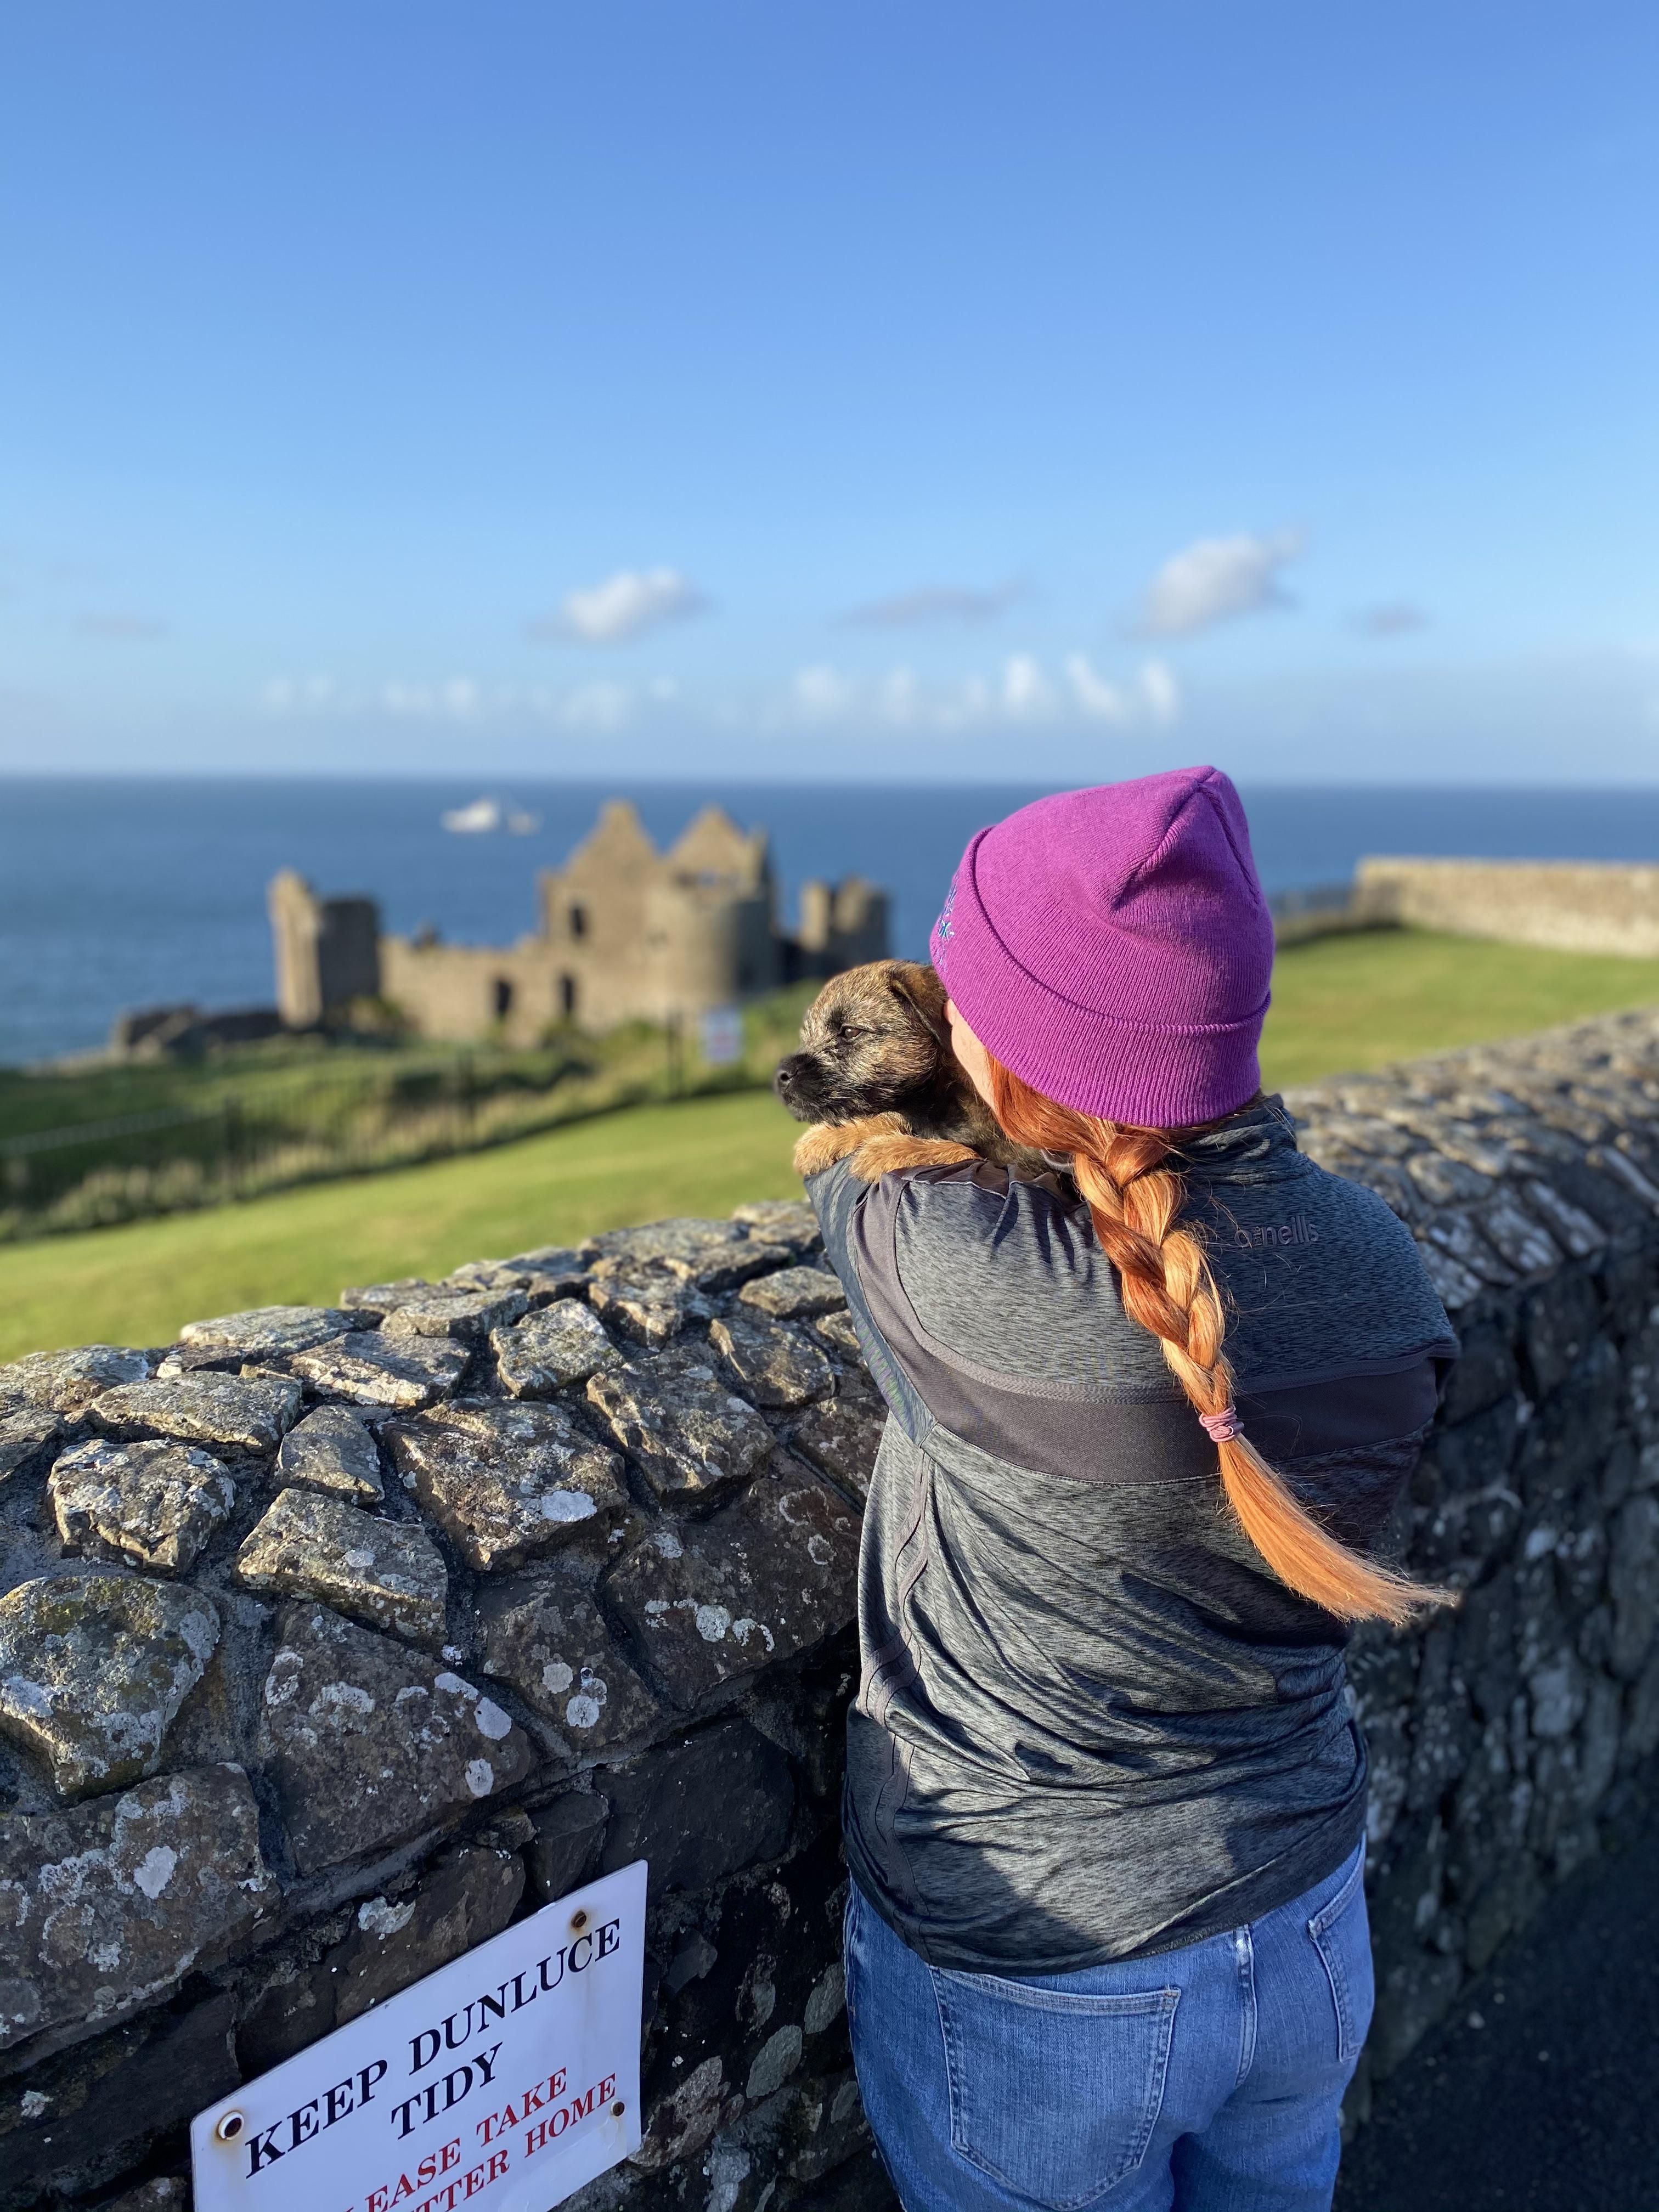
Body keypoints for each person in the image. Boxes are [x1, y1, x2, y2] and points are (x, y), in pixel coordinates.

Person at [799, 768, 1458, 2212]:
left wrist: (931, 1038)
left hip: (1046, 1975)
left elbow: (842, 1134)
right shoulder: (1384, 1273)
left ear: (1007, 1055)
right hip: (1304, 1919)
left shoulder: (942, 1256)